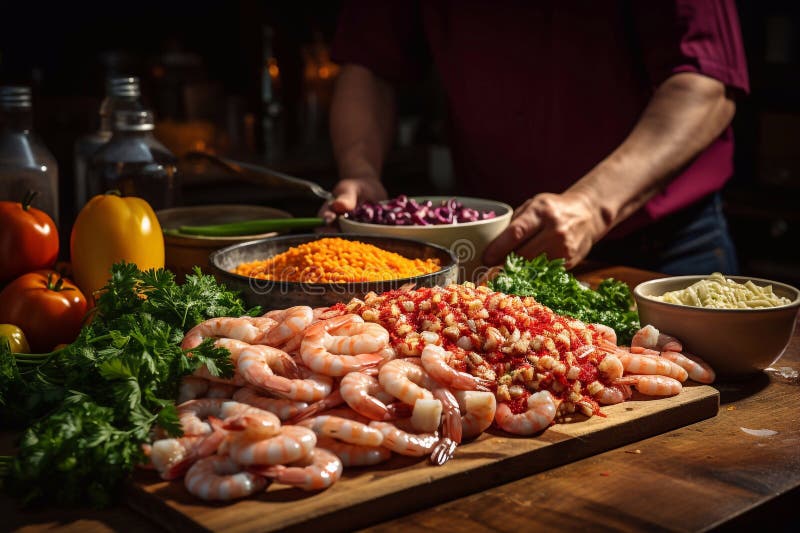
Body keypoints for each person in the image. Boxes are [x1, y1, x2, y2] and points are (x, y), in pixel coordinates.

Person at [321, 1, 748, 274]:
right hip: (498, 247)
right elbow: (368, 63)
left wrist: (592, 204)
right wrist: (360, 171)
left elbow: (705, 85)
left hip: (664, 248)